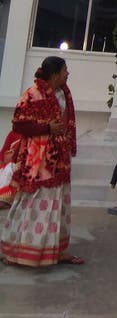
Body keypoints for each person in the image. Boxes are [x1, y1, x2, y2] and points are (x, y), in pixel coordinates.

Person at [0, 56, 84, 266]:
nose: (68, 74)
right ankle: (20, 251)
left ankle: (58, 251)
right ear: (55, 75)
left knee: (58, 205)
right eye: (65, 70)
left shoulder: (64, 94)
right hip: (38, 163)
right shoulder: (32, 94)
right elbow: (19, 125)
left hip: (59, 161)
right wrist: (46, 129)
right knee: (33, 204)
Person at [0, 130, 21, 209]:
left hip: (21, 166)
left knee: (10, 168)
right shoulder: (13, 133)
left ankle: (6, 199)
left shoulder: (37, 132)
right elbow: (2, 154)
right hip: (8, 164)